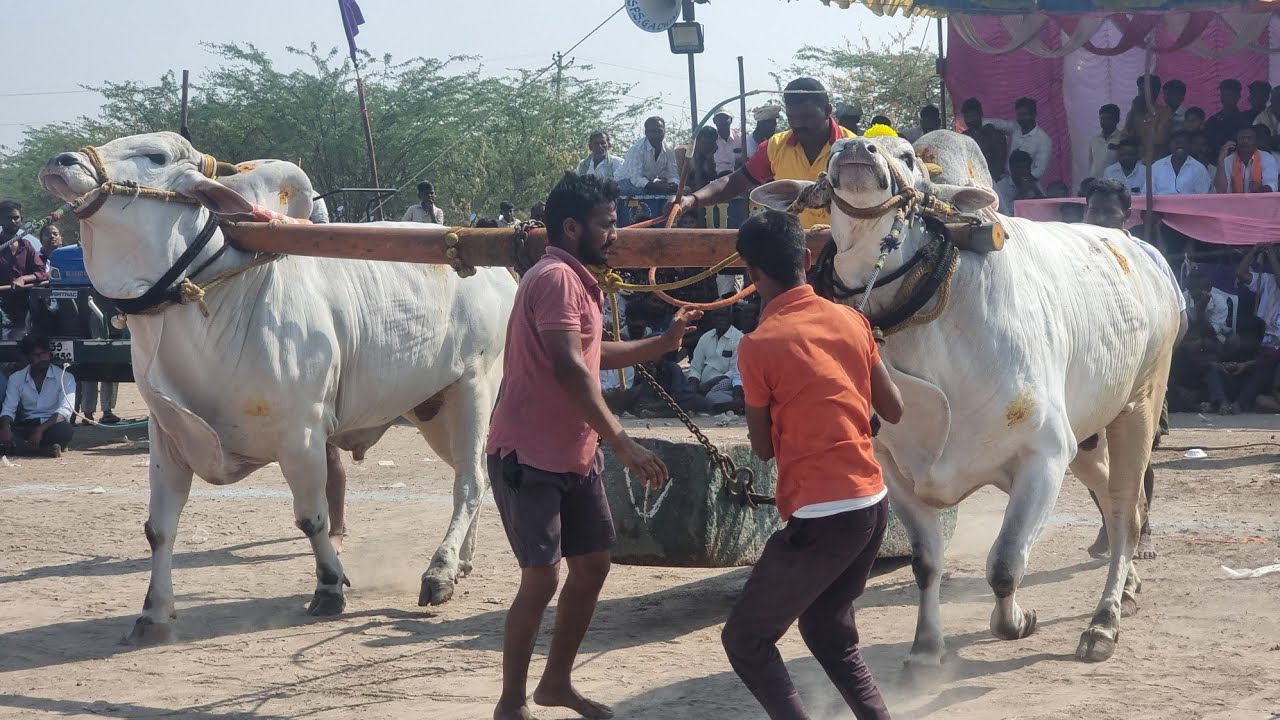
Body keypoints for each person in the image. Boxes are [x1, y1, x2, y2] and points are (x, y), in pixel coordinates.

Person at [486, 171, 700, 720]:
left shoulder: (577, 278)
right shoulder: (557, 278)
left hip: (572, 453)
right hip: (530, 455)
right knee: (542, 577)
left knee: (593, 565)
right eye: (607, 225)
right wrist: (624, 443)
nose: (616, 234)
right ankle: (510, 704)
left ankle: (554, 684)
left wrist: (664, 342)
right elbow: (569, 370)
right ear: (572, 227)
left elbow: (590, 353)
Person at [721, 210, 902, 720]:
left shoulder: (757, 346)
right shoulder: (852, 320)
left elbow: (761, 448)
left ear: (751, 274)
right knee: (827, 631)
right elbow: (893, 410)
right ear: (805, 259)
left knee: (746, 639)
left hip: (824, 516)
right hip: (872, 507)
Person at [1083, 179, 1186, 561]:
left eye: (1110, 212)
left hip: (1142, 373)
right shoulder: (1076, 254)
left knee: (1138, 454)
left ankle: (1143, 528)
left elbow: (1180, 319)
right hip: (1094, 373)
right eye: (1095, 210)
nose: (1101, 218)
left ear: (1127, 216)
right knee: (1089, 454)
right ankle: (1111, 524)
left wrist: (1150, 368)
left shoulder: (1146, 255)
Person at [676, 78, 856, 229]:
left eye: (807, 117)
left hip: (844, 251)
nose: (799, 124)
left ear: (827, 111)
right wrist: (692, 199)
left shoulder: (853, 149)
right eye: (792, 118)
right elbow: (733, 182)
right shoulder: (776, 147)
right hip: (792, 249)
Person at [0, 334, 76, 458]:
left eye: (45, 354)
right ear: (27, 358)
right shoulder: (16, 378)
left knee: (65, 430)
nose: (42, 358)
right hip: (26, 426)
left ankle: (21, 448)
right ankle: (45, 450)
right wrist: (5, 428)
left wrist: (40, 430)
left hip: (50, 426)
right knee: (4, 433)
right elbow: (9, 408)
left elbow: (65, 410)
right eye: (37, 355)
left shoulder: (65, 377)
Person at [1232, 243, 1280, 412]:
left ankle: (1240, 402)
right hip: (1261, 339)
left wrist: (1271, 254)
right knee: (1235, 351)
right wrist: (1255, 250)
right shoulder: (1266, 279)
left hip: (1276, 347)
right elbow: (1240, 273)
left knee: (1264, 364)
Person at [0, 200, 49, 340]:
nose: (14, 221)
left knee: (20, 351)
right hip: (1, 311)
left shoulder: (26, 246)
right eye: (9, 218)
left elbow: (42, 273)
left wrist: (23, 279)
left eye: (17, 218)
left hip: (23, 312)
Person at [686, 307, 744, 413]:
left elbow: (736, 372)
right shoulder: (705, 338)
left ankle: (709, 404)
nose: (719, 319)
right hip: (703, 385)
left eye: (723, 315)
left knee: (713, 397)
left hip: (726, 384)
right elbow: (695, 367)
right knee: (683, 392)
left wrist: (710, 384)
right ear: (711, 318)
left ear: (731, 317)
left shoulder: (739, 339)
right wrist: (693, 387)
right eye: (716, 316)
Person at [987, 97, 1053, 181]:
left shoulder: (1044, 140)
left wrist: (1022, 182)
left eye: (1024, 115)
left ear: (1034, 115)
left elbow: (1039, 171)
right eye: (1019, 115)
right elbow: (998, 123)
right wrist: (983, 124)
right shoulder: (1015, 128)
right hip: (1007, 181)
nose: (1021, 118)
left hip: (1029, 185)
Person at [618, 116, 680, 196]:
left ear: (664, 131)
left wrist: (673, 185)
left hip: (648, 182)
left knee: (679, 193)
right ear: (646, 133)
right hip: (625, 181)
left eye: (660, 131)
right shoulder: (637, 149)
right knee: (641, 193)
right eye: (653, 131)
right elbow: (636, 179)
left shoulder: (669, 150)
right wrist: (659, 187)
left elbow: (673, 175)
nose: (657, 135)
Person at [1215, 125, 1278, 194]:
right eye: (1241, 138)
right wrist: (1220, 161)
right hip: (1235, 203)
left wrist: (1260, 188)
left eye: (1249, 138)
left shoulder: (1266, 158)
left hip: (1260, 202)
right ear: (1236, 142)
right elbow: (1221, 191)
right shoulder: (1228, 160)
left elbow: (1272, 185)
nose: (1245, 141)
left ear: (1256, 142)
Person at [961, 98, 1009, 183]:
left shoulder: (994, 135)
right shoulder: (963, 137)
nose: (970, 120)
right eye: (967, 117)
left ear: (980, 114)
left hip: (993, 181)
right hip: (970, 181)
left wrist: (988, 181)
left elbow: (999, 164)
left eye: (973, 116)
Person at [1152, 130, 1211, 195]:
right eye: (1176, 142)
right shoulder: (1156, 166)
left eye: (1184, 142)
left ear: (1190, 146)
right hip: (1161, 205)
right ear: (1169, 145)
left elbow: (1203, 197)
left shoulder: (1199, 168)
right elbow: (1146, 194)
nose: (1180, 145)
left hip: (1189, 205)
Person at [1183, 271, 1231, 343]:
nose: (1192, 295)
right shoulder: (1185, 297)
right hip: (1192, 332)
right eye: (1190, 290)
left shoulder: (1219, 302)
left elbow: (1212, 332)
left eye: (1196, 290)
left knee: (1233, 340)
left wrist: (1201, 310)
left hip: (1215, 334)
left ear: (1208, 290)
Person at [1205, 79, 1248, 155]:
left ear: (1238, 96)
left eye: (1230, 95)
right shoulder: (1213, 120)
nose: (1227, 98)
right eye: (1224, 95)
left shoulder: (1245, 120)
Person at [995, 150, 1043, 215]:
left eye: (1026, 167)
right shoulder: (1001, 186)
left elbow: (1044, 207)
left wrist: (1036, 190)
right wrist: (1022, 193)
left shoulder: (1033, 181)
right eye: (1019, 168)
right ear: (1011, 168)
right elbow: (1005, 212)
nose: (1023, 171)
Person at [1088, 104, 1123, 180]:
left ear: (1117, 119)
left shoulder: (1122, 139)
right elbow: (1091, 163)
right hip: (1095, 184)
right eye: (1102, 118)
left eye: (1108, 118)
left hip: (1114, 184)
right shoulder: (1094, 140)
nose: (1104, 122)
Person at [711, 109, 743, 175]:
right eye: (719, 119)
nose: (722, 122)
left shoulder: (740, 138)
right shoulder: (710, 139)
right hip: (716, 177)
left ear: (731, 120)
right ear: (714, 121)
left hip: (737, 175)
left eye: (725, 118)